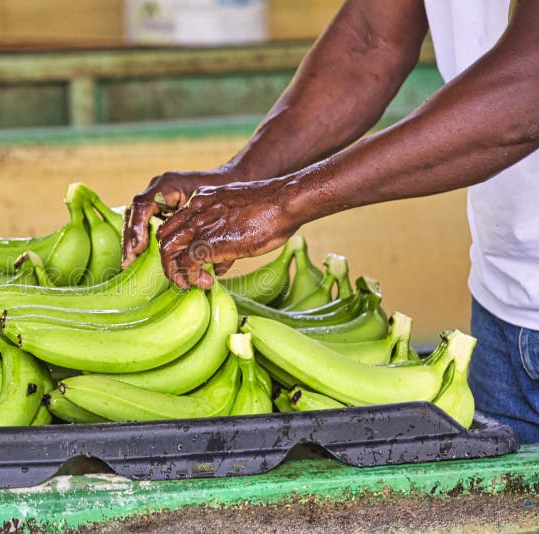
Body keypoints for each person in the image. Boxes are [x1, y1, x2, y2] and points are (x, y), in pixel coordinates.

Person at [121, 0, 539, 443]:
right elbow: (370, 39)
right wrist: (245, 174)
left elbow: (529, 84)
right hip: (502, 309)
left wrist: (288, 201)